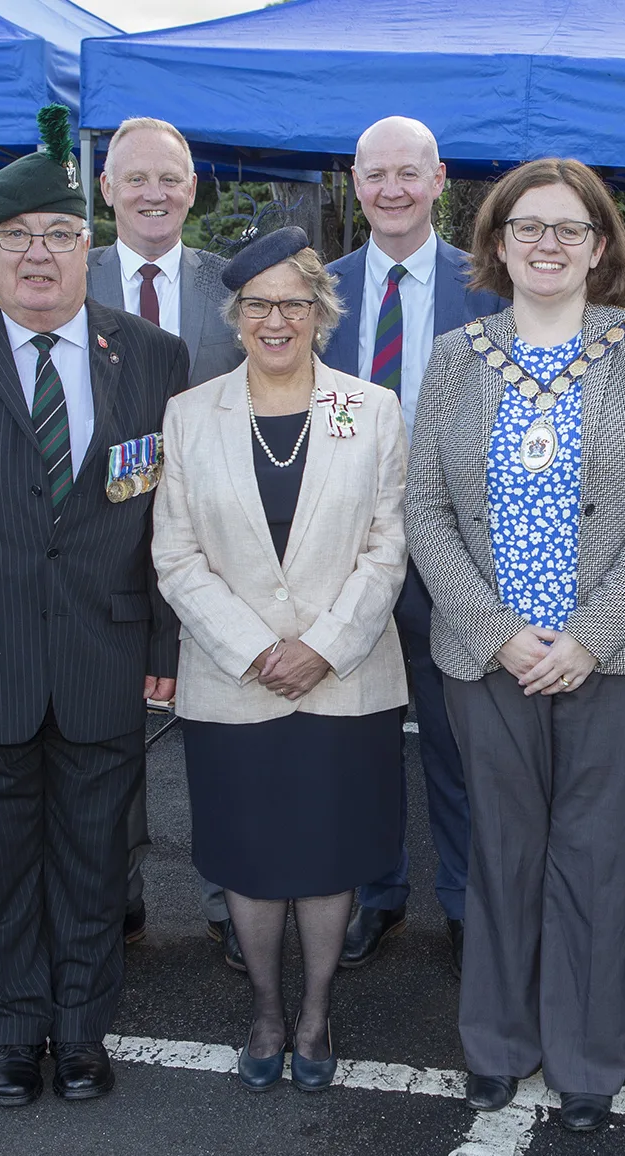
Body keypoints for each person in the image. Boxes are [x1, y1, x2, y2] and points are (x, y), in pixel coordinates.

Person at [0, 110, 189, 1109]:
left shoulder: (150, 355)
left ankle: (84, 1030)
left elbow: (162, 520)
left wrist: (161, 638)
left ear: (87, 245)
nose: (39, 256)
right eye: (18, 238)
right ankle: (16, 1034)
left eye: (58, 236)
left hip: (104, 655)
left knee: (96, 865)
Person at [407, 158, 625, 1133]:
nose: (546, 244)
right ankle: (494, 1045)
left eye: (568, 229)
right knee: (502, 853)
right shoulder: (458, 355)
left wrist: (588, 636)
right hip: (487, 659)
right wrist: (497, 634)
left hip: (616, 658)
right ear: (494, 243)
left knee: (594, 856)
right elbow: (426, 507)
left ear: (601, 246)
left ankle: (582, 1061)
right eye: (526, 227)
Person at [153, 226, 407, 1093]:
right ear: (235, 317)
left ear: (321, 313)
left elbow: (388, 547)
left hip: (346, 680)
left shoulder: (368, 409)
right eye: (257, 304)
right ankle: (266, 1009)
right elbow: (175, 556)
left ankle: (316, 1011)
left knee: (329, 855)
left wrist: (323, 647)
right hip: (235, 680)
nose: (275, 319)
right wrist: (260, 648)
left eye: (293, 303)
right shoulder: (191, 415)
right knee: (254, 855)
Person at [323, 116, 508, 976]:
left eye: (409, 173)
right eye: (375, 174)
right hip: (345, 555)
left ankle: (469, 903)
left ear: (441, 180)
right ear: (355, 184)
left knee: (457, 740)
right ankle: (375, 895)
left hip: (459, 558)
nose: (391, 189)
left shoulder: (495, 289)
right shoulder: (317, 292)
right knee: (358, 742)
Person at [88, 114, 239, 961]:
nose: (154, 193)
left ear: (192, 189)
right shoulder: (65, 273)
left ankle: (227, 902)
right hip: (98, 553)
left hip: (214, 552)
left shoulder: (232, 287)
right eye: (136, 177)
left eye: (171, 178)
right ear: (106, 187)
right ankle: (119, 897)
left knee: (218, 732)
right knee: (106, 739)